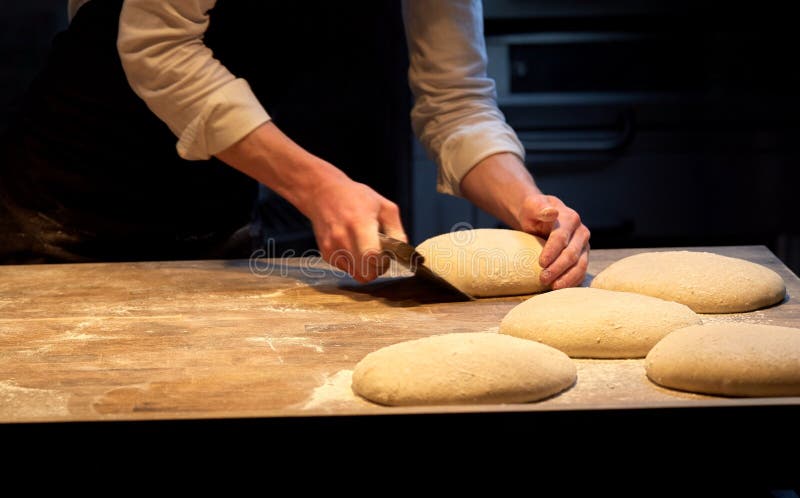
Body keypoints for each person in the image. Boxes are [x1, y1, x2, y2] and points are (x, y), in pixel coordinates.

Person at [0, 0, 589, 289]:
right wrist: (317, 185)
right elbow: (158, 48)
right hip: (64, 203)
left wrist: (526, 204)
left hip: (214, 212)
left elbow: (456, 100)